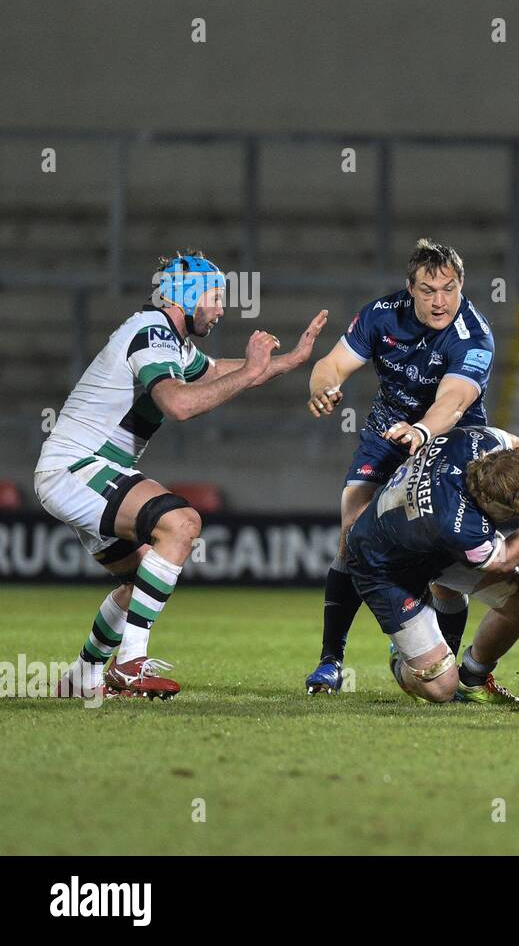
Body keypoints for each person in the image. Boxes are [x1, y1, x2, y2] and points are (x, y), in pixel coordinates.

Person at [37, 249, 326, 698]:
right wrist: (251, 371)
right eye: (214, 296)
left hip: (78, 467)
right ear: (186, 298)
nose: (221, 308)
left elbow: (213, 372)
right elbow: (180, 404)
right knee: (182, 523)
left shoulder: (170, 341)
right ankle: (131, 665)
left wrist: (288, 361)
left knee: (141, 580)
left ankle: (82, 678)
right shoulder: (152, 332)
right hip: (77, 466)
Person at [303, 241, 494, 694]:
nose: (440, 301)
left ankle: (441, 658)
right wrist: (323, 389)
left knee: (445, 558)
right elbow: (330, 365)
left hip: (449, 443)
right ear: (410, 289)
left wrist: (423, 431)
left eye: (449, 289)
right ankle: (331, 661)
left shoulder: (473, 335)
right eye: (428, 290)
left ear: (461, 285)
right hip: (387, 435)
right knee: (352, 534)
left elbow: (454, 400)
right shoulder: (380, 315)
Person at [345, 426, 519, 704]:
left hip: (421, 541)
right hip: (382, 568)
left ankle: (473, 678)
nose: (516, 517)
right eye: (512, 513)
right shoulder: (457, 526)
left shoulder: (477, 439)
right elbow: (503, 561)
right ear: (489, 501)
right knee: (441, 689)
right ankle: (403, 660)